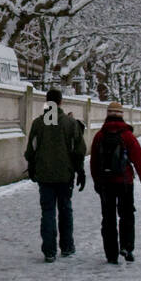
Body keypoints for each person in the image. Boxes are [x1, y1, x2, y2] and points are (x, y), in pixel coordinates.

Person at [24, 87, 87, 263]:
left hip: (44, 175)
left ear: (46, 101)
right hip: (65, 175)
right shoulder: (70, 123)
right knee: (65, 209)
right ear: (60, 102)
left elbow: (32, 149)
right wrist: (80, 170)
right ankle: (67, 246)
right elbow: (79, 150)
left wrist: (31, 165)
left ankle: (49, 250)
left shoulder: (38, 123)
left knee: (48, 212)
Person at [90, 102, 141, 263]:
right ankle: (127, 247)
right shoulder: (127, 136)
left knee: (108, 218)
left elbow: (94, 162)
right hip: (125, 182)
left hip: (105, 183)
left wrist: (97, 181)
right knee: (127, 215)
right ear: (121, 115)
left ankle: (111, 254)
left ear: (107, 115)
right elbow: (138, 160)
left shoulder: (99, 136)